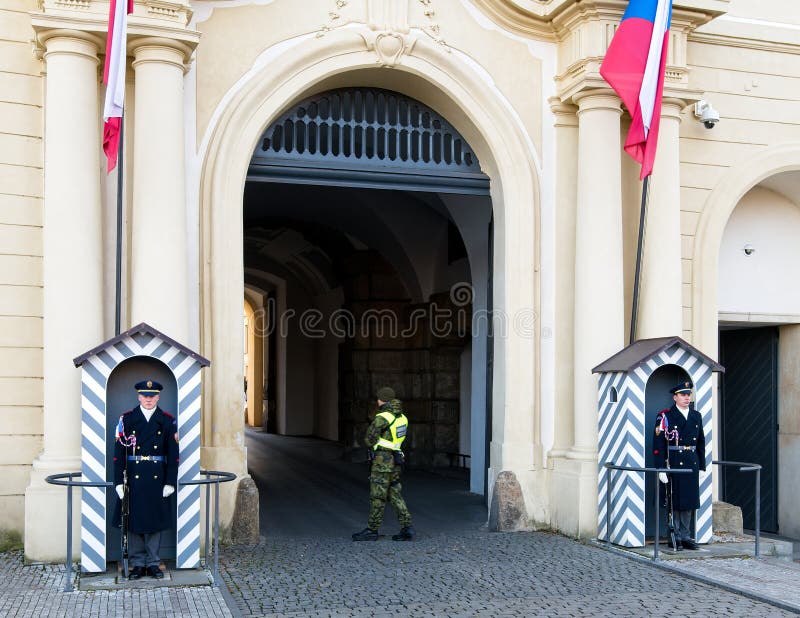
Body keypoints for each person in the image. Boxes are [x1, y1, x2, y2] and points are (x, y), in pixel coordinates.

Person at [113, 379, 179, 579]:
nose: (148, 399)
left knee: (154, 521)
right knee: (134, 521)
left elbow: (173, 454)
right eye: (145, 395)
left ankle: (153, 563)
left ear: (158, 397)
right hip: (133, 478)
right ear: (139, 397)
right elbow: (118, 454)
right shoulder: (126, 420)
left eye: (152, 396)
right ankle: (137, 564)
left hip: (157, 478)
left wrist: (170, 482)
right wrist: (118, 482)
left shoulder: (166, 421)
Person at [352, 387, 414, 542]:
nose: (377, 400)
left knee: (377, 496)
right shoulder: (402, 417)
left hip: (382, 461)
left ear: (382, 400)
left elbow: (369, 439)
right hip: (396, 459)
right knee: (395, 494)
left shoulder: (382, 418)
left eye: (378, 398)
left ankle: (372, 530)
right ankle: (407, 527)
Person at [653, 380, 706, 551]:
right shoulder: (665, 416)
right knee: (674, 501)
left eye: (688, 394)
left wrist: (702, 466)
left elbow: (701, 442)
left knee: (689, 501)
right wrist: (661, 468)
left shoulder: (696, 416)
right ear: (675, 397)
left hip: (691, 462)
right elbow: (658, 445)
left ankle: (686, 536)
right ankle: (674, 536)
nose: (687, 397)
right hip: (674, 461)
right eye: (683, 394)